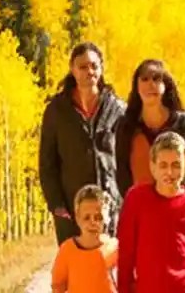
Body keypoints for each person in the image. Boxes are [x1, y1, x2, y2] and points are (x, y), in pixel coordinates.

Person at [40, 42, 126, 245]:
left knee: (109, 268)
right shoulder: (56, 111)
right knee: (77, 271)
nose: (90, 71)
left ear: (102, 68)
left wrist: (124, 202)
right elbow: (47, 164)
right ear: (72, 69)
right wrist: (57, 205)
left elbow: (127, 159)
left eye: (94, 66)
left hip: (110, 208)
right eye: (83, 67)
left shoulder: (118, 109)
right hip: (72, 211)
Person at [116, 131, 185, 293]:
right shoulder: (136, 199)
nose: (169, 173)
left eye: (176, 165)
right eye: (163, 165)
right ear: (152, 167)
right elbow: (126, 254)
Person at [114, 58, 185, 198]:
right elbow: (122, 176)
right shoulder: (126, 127)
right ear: (136, 85)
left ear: (165, 85)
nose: (151, 84)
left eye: (156, 79)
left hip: (178, 207)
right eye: (145, 79)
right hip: (142, 210)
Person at [50, 184, 119, 293]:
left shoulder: (114, 248)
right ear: (77, 218)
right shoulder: (67, 250)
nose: (92, 222)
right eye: (86, 217)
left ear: (106, 219)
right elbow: (58, 286)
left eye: (98, 217)